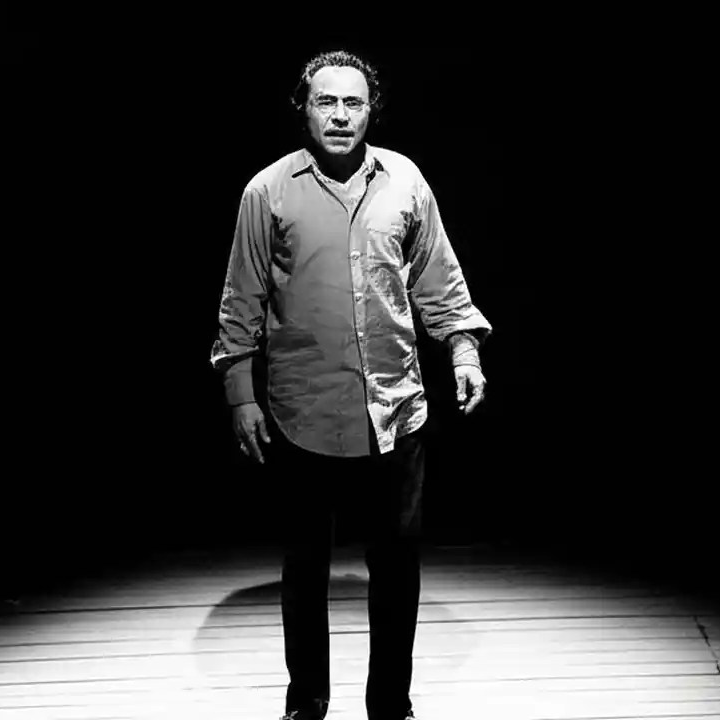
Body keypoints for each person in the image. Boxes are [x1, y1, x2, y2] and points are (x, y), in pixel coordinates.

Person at [208, 49, 492, 720]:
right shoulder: (268, 192)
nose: (339, 115)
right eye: (325, 102)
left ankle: (390, 701)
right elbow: (240, 302)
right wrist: (240, 396)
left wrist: (463, 354)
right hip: (303, 410)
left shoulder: (407, 182)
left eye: (353, 102)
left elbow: (438, 281)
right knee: (306, 568)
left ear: (372, 109)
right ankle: (306, 700)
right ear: (303, 109)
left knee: (396, 567)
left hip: (396, 409)